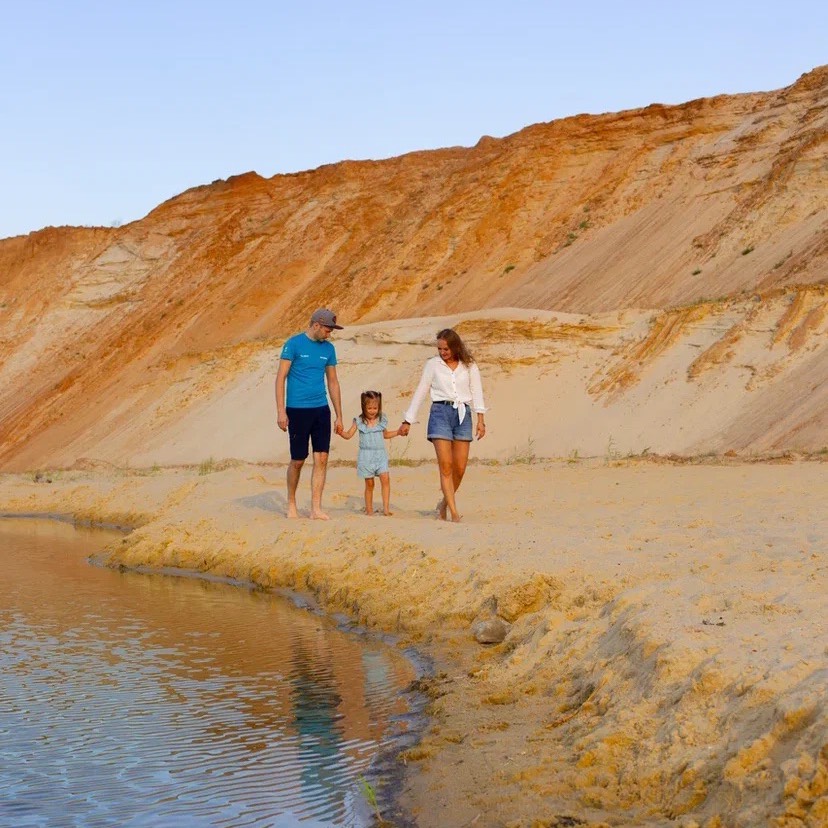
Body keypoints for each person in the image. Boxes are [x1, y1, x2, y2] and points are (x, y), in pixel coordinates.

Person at [398, 328, 487, 522]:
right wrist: (408, 420)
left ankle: (444, 504)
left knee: (460, 468)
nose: (442, 352)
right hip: (440, 414)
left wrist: (481, 420)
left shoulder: (469, 366)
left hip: (464, 415)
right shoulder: (433, 365)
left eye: (446, 349)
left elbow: (477, 391)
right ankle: (454, 514)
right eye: (440, 349)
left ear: (455, 347)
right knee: (445, 466)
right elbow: (421, 390)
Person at [275, 308, 344, 520]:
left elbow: (333, 381)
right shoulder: (293, 344)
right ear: (316, 325)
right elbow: (280, 378)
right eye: (327, 329)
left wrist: (339, 414)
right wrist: (281, 411)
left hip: (321, 409)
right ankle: (292, 503)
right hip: (297, 410)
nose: (329, 333)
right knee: (298, 459)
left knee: (322, 458)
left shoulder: (329, 349)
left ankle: (316, 508)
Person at [338, 390, 401, 516]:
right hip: (366, 456)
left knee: (385, 479)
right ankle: (369, 510)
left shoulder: (381, 420)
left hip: (380, 455)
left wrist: (398, 432)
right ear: (364, 407)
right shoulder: (359, 421)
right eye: (369, 408)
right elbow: (349, 435)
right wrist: (340, 432)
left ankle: (386, 509)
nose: (372, 411)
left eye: (375, 408)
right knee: (370, 483)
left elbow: (386, 434)